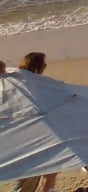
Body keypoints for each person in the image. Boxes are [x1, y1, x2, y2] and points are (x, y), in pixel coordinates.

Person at [16, 53, 57, 192]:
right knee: (49, 172)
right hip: (43, 134)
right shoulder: (44, 84)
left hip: (22, 135)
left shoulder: (15, 81)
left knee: (26, 179)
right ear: (42, 66)